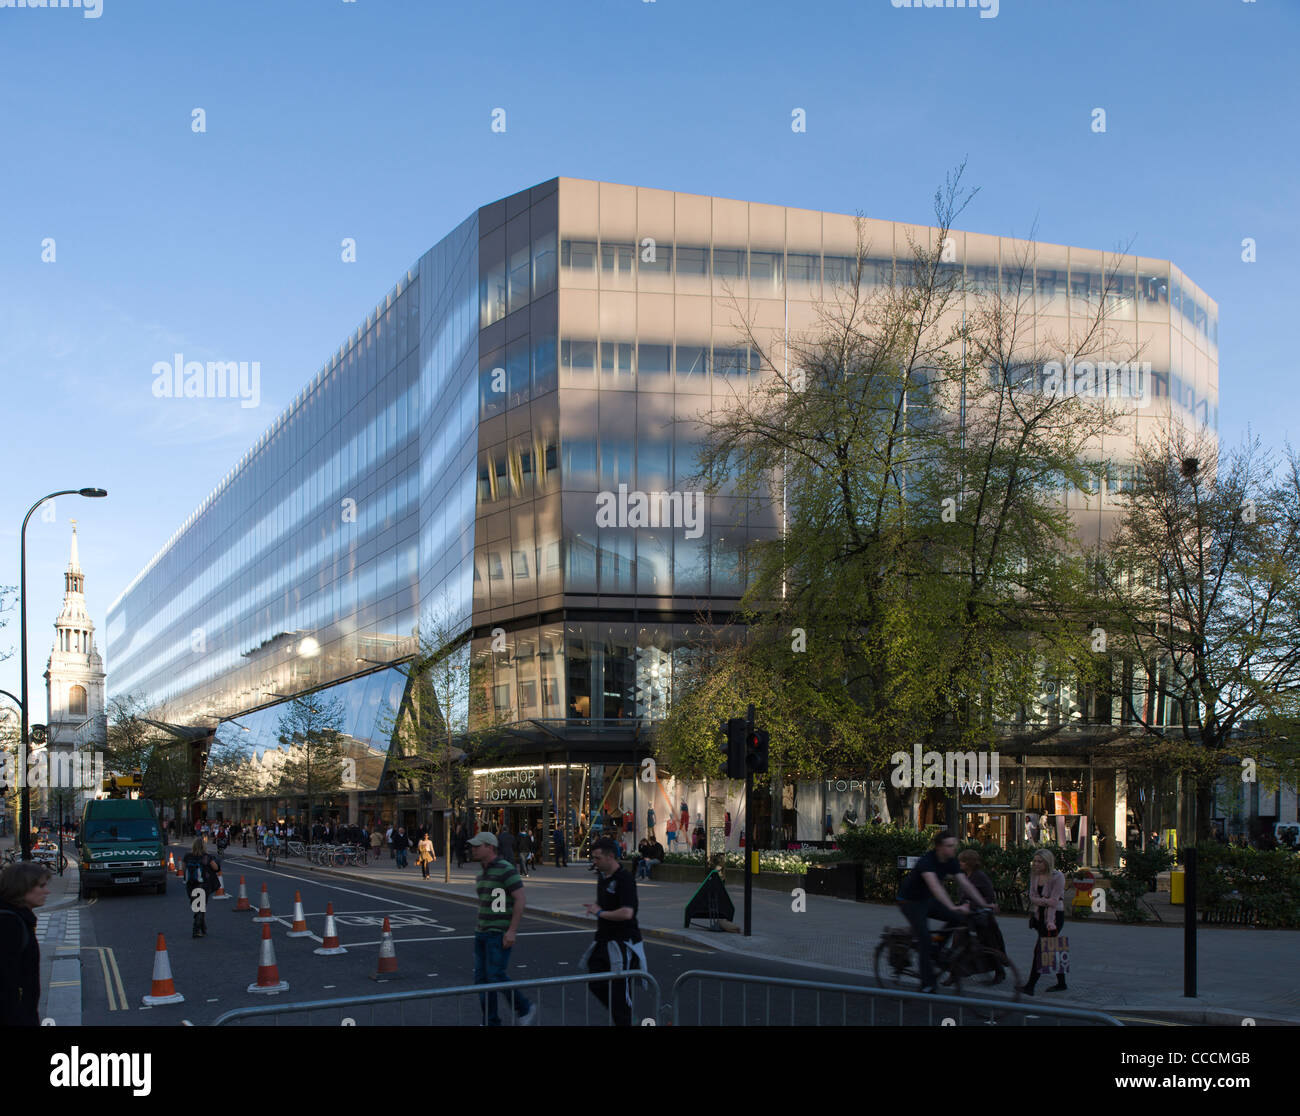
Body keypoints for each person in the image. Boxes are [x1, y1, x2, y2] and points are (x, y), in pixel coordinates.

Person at [896, 830, 990, 994]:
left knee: (958, 918)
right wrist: (953, 906)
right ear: (939, 847)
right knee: (925, 939)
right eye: (950, 846)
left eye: (954, 845)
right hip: (910, 902)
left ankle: (937, 947)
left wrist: (984, 904)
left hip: (927, 900)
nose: (954, 849)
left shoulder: (950, 861)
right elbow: (936, 887)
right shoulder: (927, 861)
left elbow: (966, 884)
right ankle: (927, 984)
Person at [469, 832, 537, 1027]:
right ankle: (491, 1021)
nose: (473, 849)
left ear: (490, 847)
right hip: (481, 932)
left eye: (477, 846)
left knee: (495, 974)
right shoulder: (482, 873)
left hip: (498, 933)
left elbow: (520, 898)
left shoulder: (506, 869)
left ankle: (524, 1007)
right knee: (482, 980)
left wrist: (512, 930)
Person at [582, 837, 649, 1026]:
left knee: (620, 992)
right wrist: (597, 907)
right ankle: (622, 1017)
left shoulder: (625, 879)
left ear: (610, 856)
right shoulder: (602, 877)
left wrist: (600, 912)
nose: (594, 862)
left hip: (622, 942)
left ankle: (627, 1020)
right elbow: (604, 905)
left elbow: (627, 913)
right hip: (603, 940)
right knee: (595, 982)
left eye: (597, 858)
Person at [0, 862, 51, 1026]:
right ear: (22, 888)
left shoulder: (17, 919)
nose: (47, 891)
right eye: (41, 886)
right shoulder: (9, 924)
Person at [1022, 848, 1067, 995]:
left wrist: (1049, 919)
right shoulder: (1035, 875)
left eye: (1039, 861)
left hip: (1054, 917)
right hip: (1039, 915)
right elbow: (1032, 897)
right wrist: (1044, 901)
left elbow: (1054, 901)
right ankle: (1062, 983)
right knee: (1051, 948)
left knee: (1040, 951)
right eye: (1034, 861)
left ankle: (1030, 987)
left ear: (1048, 862)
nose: (1036, 864)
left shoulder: (1057, 876)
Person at [183, 837, 221, 938]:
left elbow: (183, 869)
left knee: (197, 907)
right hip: (203, 885)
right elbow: (216, 868)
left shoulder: (187, 856)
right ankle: (196, 930)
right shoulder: (206, 857)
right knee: (200, 908)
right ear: (203, 846)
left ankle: (203, 928)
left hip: (190, 885)